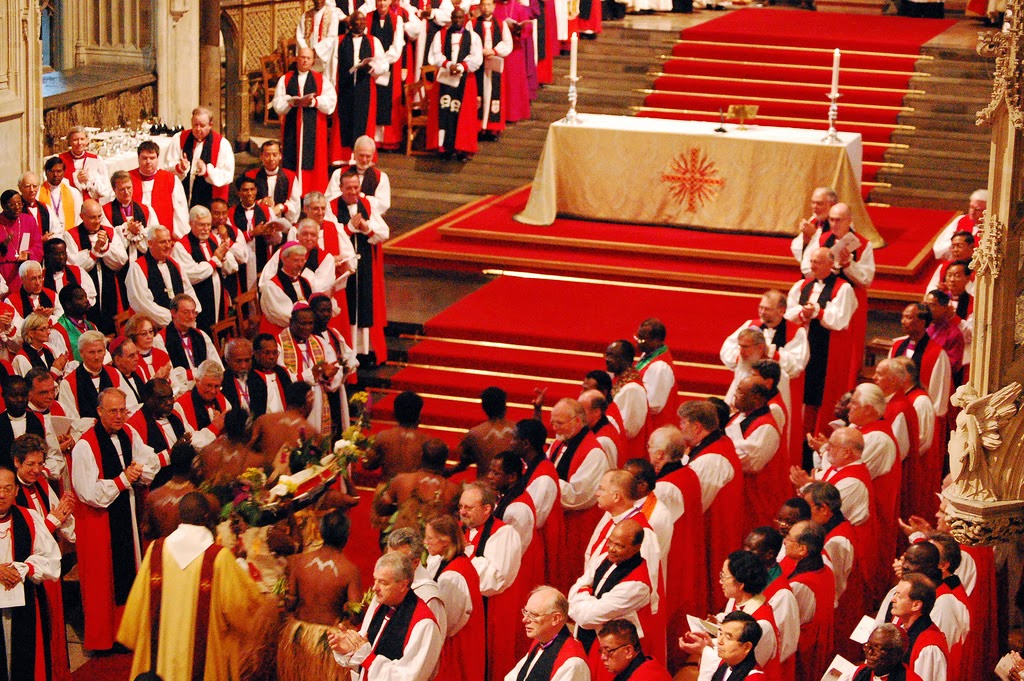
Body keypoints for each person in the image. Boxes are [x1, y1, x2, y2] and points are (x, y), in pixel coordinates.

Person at [118, 492, 270, 680]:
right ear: (206, 517)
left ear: (180, 516)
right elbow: (244, 608)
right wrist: (241, 564)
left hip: (160, 655)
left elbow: (137, 605)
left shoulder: (155, 551)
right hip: (202, 661)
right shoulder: (218, 558)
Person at [72, 388, 159, 650]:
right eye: (113, 411)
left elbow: (149, 461)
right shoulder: (85, 445)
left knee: (131, 570)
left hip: (128, 514)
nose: (120, 416)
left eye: (123, 410)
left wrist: (139, 471)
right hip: (100, 520)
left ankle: (130, 633)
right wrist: (122, 480)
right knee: (104, 581)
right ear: (99, 412)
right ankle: (105, 638)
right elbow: (87, 492)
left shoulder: (129, 433)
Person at [12, 433, 75, 681]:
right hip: (27, 572)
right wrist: (52, 521)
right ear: (16, 462)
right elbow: (22, 537)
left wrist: (65, 518)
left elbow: (59, 516)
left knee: (54, 623)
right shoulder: (10, 492)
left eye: (40, 463)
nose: (37, 470)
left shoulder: (41, 483)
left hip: (49, 566)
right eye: (30, 464)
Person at [647, 425, 707, 670]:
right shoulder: (688, 473)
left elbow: (656, 527)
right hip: (687, 548)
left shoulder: (665, 487)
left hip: (672, 556)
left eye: (650, 447)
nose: (648, 451)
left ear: (660, 454)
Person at [328, 552, 444, 680]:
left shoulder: (423, 623)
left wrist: (367, 658)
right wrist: (349, 649)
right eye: (375, 580)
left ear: (403, 585)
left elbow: (408, 676)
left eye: (383, 582)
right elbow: (364, 654)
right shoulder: (380, 606)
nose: (375, 588)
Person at [278, 510, 362, 681]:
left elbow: (289, 604)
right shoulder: (349, 571)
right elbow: (355, 617)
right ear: (346, 536)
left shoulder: (299, 562)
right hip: (328, 642)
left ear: (321, 532)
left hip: (298, 637)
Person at [677, 399, 742, 611]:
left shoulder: (712, 459)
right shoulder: (715, 445)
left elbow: (694, 503)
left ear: (697, 427)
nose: (680, 427)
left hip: (713, 532)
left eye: (683, 422)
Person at [568, 519, 654, 679]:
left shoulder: (637, 585)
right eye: (610, 542)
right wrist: (585, 596)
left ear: (637, 547)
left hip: (611, 651)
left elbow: (587, 618)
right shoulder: (604, 558)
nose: (611, 549)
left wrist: (583, 592)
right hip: (587, 638)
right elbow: (574, 589)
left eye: (620, 546)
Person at [785, 247, 856, 436]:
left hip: (827, 346)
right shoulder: (801, 285)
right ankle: (799, 433)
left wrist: (818, 312)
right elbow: (788, 312)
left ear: (830, 264)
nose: (812, 266)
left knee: (821, 392)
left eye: (817, 262)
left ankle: (818, 434)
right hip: (803, 344)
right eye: (811, 261)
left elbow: (840, 319)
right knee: (802, 389)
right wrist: (802, 313)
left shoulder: (843, 288)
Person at [0, 465, 62, 681]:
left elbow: (51, 559)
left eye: (8, 488)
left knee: (23, 660)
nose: (1, 494)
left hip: (24, 603)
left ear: (16, 491)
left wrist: (24, 567)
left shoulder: (29, 517)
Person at [678, 552, 780, 676]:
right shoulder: (737, 601)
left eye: (724, 577)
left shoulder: (761, 625)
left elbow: (742, 666)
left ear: (740, 584)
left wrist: (704, 650)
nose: (720, 582)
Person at [461, 481, 523, 681]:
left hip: (490, 611)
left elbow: (493, 581)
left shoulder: (504, 534)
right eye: (460, 506)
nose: (462, 512)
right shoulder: (459, 530)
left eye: (468, 507)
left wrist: (466, 552)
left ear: (487, 509)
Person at [547, 397, 610, 592]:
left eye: (559, 423)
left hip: (578, 525)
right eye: (553, 422)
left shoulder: (593, 453)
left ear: (577, 421)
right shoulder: (559, 443)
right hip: (559, 521)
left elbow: (578, 495)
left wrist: (546, 479)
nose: (554, 428)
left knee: (570, 576)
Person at [421, 514, 486, 681]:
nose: (425, 542)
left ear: (445, 540)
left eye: (430, 538)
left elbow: (446, 622)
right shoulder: (449, 561)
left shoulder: (452, 576)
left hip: (456, 647)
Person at [334, 168, 389, 362]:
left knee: (364, 303)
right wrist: (349, 228)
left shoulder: (367, 204)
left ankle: (362, 351)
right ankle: (346, 350)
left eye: (356, 187)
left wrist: (366, 228)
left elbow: (383, 233)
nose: (353, 192)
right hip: (344, 264)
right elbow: (331, 234)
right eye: (349, 188)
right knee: (347, 305)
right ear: (341, 188)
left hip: (364, 261)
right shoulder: (332, 206)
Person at [273, 46, 338, 196]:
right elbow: (277, 104)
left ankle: (312, 192)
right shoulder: (286, 79)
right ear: (297, 58)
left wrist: (314, 102)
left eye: (308, 58)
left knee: (315, 161)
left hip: (315, 128)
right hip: (292, 128)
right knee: (292, 158)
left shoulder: (321, 79)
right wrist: (291, 102)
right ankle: (293, 194)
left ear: (313, 60)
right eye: (302, 57)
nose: (305, 61)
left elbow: (331, 102)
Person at [726, 376, 785, 533]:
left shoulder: (766, 427)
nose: (735, 395)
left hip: (754, 500)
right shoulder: (739, 416)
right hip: (737, 495)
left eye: (740, 392)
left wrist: (724, 452)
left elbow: (752, 463)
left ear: (756, 398)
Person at [742, 527, 799, 681]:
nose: (745, 553)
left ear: (770, 554)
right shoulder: (749, 578)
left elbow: (783, 646)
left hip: (765, 670)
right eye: (745, 546)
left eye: (752, 549)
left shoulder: (782, 595)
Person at [277, 302, 343, 436]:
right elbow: (283, 377)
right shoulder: (279, 344)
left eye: (310, 323)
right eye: (303, 323)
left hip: (319, 399)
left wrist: (328, 376)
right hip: (294, 402)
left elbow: (335, 369)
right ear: (291, 322)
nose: (307, 328)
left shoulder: (319, 342)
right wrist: (311, 374)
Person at [64, 198, 128, 334]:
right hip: (85, 290)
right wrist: (94, 253)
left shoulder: (110, 232)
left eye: (100, 216)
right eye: (93, 217)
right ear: (82, 216)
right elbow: (73, 267)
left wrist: (105, 248)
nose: (97, 221)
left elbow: (121, 261)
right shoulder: (70, 235)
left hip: (110, 287)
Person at [780, 521, 834, 681]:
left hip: (804, 650)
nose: (785, 541)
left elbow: (789, 623)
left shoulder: (801, 584)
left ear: (802, 549)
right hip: (821, 642)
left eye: (789, 538)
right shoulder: (825, 569)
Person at [428, 7, 483, 160]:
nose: (457, 21)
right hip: (445, 79)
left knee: (464, 115)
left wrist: (460, 67)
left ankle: (462, 149)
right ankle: (443, 148)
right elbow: (435, 54)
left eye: (460, 18)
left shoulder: (473, 37)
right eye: (455, 18)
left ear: (464, 19)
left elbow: (477, 57)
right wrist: (448, 65)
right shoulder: (440, 35)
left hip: (466, 80)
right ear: (451, 19)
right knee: (443, 113)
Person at [333, 12, 387, 164]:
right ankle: (343, 158)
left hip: (365, 87)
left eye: (364, 21)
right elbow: (332, 65)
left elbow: (383, 65)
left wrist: (371, 68)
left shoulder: (373, 41)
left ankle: (363, 158)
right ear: (350, 24)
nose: (362, 24)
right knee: (344, 122)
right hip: (344, 87)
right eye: (358, 21)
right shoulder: (339, 41)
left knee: (363, 121)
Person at [505, 585, 590, 681]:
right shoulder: (541, 642)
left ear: (555, 619)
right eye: (525, 612)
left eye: (533, 615)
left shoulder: (572, 662)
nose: (524, 620)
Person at [125, 225, 202, 330]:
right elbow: (143, 304)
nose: (167, 246)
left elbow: (188, 291)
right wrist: (174, 320)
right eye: (162, 242)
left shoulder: (175, 264)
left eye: (169, 241)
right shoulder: (138, 267)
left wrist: (192, 312)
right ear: (150, 243)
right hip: (151, 329)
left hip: (180, 324)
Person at [889, 303, 953, 419]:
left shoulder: (937, 354)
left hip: (921, 414)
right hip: (896, 411)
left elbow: (938, 398)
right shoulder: (896, 346)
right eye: (902, 317)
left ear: (922, 322)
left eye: (908, 317)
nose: (903, 321)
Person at [126, 378, 190, 488]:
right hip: (156, 488)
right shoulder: (135, 424)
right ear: (147, 399)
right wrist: (172, 454)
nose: (169, 402)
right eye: (162, 399)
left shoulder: (175, 415)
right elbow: (141, 467)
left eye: (170, 397)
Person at [887, 573, 949, 681]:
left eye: (899, 596)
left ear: (916, 605)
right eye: (895, 594)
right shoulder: (901, 628)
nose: (893, 599)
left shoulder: (928, 647)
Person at [140, 442, 206, 539]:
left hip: (164, 547)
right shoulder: (201, 499)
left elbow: (146, 533)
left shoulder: (152, 498)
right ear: (193, 466)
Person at [365, 0, 406, 150]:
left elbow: (397, 45)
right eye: (379, 0)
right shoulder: (368, 18)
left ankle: (389, 140)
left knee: (389, 102)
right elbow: (366, 41)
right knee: (373, 101)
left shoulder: (397, 20)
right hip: (372, 67)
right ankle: (373, 138)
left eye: (385, 0)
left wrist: (383, 61)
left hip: (390, 66)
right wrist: (375, 63)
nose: (382, 3)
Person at [156, 294, 221, 389]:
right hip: (180, 390)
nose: (191, 316)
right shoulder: (161, 339)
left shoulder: (201, 335)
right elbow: (169, 375)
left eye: (193, 312)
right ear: (173, 313)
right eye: (186, 312)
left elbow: (215, 365)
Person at [129, 140, 190, 239]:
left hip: (163, 239)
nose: (148, 162)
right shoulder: (128, 179)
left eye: (152, 158)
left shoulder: (170, 180)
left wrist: (180, 238)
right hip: (135, 237)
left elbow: (180, 213)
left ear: (158, 158)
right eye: (144, 158)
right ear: (138, 158)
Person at [471, 0, 514, 140]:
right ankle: (478, 128)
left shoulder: (501, 24)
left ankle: (492, 128)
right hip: (477, 65)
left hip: (494, 64)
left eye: (489, 4)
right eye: (483, 5)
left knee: (494, 94)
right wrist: (480, 51)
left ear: (494, 6)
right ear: (479, 6)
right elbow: (468, 42)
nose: (486, 8)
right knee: (478, 95)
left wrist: (494, 51)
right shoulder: (472, 24)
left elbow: (508, 43)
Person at [57, 330, 123, 420]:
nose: (97, 357)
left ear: (105, 351)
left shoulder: (115, 374)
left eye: (100, 351)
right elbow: (71, 420)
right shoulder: (68, 383)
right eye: (92, 352)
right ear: (81, 353)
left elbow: (126, 407)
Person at [365, 390, 429, 479]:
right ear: (419, 415)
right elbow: (436, 472)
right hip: (414, 487)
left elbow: (368, 464)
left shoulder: (383, 437)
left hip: (388, 486)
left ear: (395, 414)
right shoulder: (426, 442)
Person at [326, 136, 392, 217]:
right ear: (354, 153)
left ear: (373, 156)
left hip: (370, 219)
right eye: (361, 155)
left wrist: (360, 198)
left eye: (368, 156)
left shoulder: (381, 177)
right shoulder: (339, 174)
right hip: (340, 217)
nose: (364, 160)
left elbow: (383, 204)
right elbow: (330, 198)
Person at [605, 340, 648, 464]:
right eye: (607, 355)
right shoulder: (618, 378)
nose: (607, 359)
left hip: (627, 451)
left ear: (625, 359)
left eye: (612, 356)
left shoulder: (632, 389)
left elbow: (629, 430)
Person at [632, 318, 679, 432]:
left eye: (642, 339)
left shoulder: (660, 367)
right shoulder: (649, 354)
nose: (638, 342)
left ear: (656, 340)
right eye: (638, 337)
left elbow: (654, 405)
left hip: (655, 428)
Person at [250, 381, 316, 461]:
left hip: (261, 467)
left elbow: (246, 451)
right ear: (309, 402)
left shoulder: (263, 420)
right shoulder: (310, 431)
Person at [258, 241, 314, 335]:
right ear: (284, 259)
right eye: (296, 260)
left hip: (303, 329)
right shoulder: (272, 285)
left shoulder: (305, 281)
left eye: (302, 260)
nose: (300, 265)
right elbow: (282, 315)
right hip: (279, 332)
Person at [104, 171, 157, 268]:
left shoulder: (146, 209)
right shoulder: (105, 211)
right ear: (114, 190)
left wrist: (140, 232)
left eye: (129, 188)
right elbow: (108, 237)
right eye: (122, 189)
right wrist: (127, 230)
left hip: (143, 260)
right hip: (119, 265)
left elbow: (154, 234)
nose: (127, 192)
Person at [173, 359, 228, 449]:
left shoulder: (221, 399)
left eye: (217, 386)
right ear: (197, 381)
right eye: (209, 385)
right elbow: (190, 442)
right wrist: (214, 427)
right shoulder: (181, 405)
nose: (213, 391)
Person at [243, 139, 301, 223]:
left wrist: (281, 207)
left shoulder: (290, 177)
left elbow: (295, 204)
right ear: (261, 156)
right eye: (267, 155)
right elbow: (243, 201)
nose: (271, 159)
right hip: (257, 222)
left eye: (275, 154)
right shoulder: (251, 176)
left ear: (280, 156)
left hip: (282, 222)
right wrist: (260, 202)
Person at [594, 619, 670, 680]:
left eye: (608, 651)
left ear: (628, 651)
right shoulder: (646, 664)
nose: (603, 657)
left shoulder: (647, 677)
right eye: (601, 651)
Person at [701, 611, 767, 681]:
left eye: (728, 637)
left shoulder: (755, 678)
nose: (720, 641)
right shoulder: (726, 663)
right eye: (720, 633)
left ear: (746, 647)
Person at [59, 126, 114, 203]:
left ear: (87, 141)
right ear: (69, 142)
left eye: (82, 139)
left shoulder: (96, 159)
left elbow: (106, 189)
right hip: (68, 202)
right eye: (75, 140)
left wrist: (89, 180)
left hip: (91, 204)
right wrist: (75, 179)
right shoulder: (61, 159)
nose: (79, 143)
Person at [0, 190, 43, 287]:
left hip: (24, 272)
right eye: (12, 205)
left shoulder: (29, 220)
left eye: (19, 204)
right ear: (3, 205)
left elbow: (38, 246)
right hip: (3, 273)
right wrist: (2, 247)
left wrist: (28, 254)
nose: (17, 207)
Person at [932, 189, 987, 260]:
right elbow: (939, 248)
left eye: (977, 210)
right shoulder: (961, 220)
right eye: (971, 207)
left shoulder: (991, 228)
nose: (972, 212)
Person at [43, 237, 95, 305]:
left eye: (63, 253)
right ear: (48, 255)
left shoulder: (78, 271)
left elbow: (91, 296)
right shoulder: (41, 276)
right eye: (57, 254)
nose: (61, 257)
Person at [38, 157, 83, 237]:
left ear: (63, 172)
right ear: (46, 172)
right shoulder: (38, 193)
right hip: (47, 237)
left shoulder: (74, 193)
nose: (55, 175)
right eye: (52, 171)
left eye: (59, 171)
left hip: (68, 237)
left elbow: (79, 219)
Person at [252, 334, 293, 415]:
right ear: (256, 353)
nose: (272, 357)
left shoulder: (281, 372)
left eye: (275, 352)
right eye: (267, 353)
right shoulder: (251, 376)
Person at [926, 231, 975, 295]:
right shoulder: (944, 267)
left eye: (959, 246)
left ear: (971, 246)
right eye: (953, 246)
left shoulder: (980, 268)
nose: (955, 250)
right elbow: (930, 290)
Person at [110, 336, 146, 411]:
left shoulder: (139, 370)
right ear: (117, 360)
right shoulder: (112, 377)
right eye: (131, 356)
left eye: (137, 353)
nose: (137, 358)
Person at [19, 171, 56, 241]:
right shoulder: (16, 209)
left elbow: (56, 230)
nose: (32, 190)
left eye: (35, 186)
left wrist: (50, 237)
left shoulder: (45, 208)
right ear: (20, 188)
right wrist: (40, 240)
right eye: (27, 186)